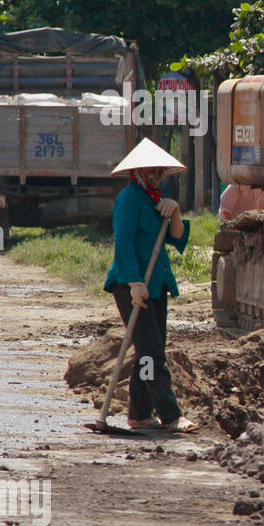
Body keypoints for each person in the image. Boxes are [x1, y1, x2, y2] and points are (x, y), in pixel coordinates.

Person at [103, 138, 199, 433]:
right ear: (138, 173)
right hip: (131, 284)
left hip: (156, 284)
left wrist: (176, 212)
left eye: (159, 170)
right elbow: (124, 243)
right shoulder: (129, 199)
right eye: (150, 171)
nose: (156, 175)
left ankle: (140, 414)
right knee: (152, 352)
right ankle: (171, 415)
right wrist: (134, 283)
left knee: (147, 349)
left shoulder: (157, 200)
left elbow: (177, 238)